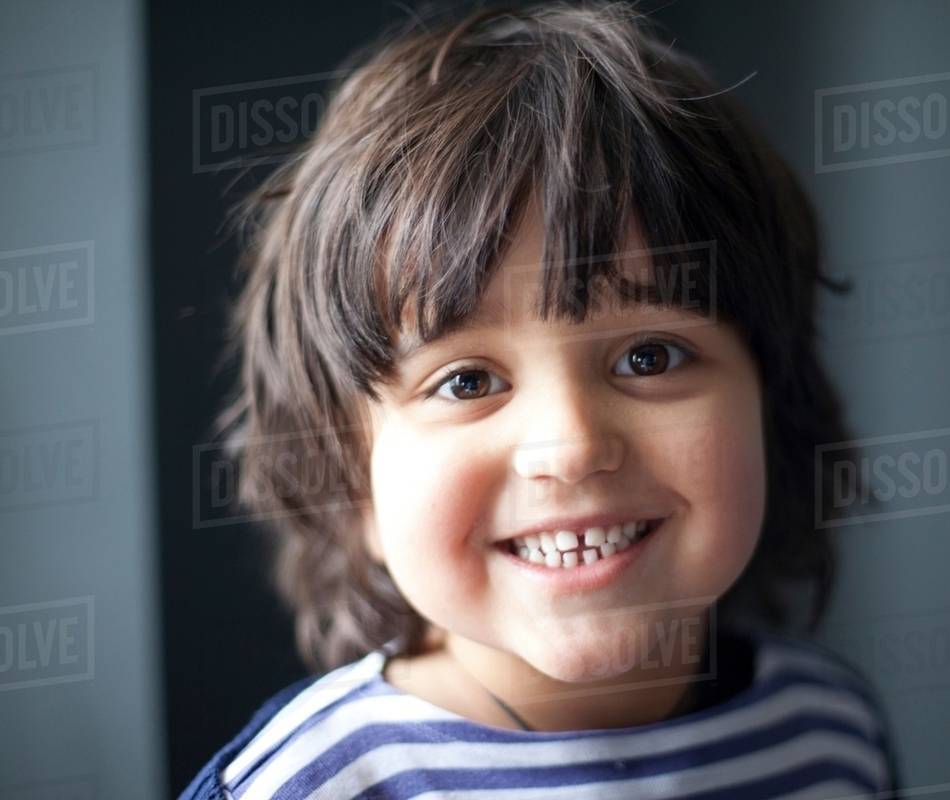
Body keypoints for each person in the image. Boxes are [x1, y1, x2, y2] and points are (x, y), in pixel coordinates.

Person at [182, 2, 899, 797]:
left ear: (772, 406)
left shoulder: (829, 735)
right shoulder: (321, 782)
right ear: (354, 484)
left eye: (650, 355)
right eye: (467, 381)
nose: (571, 444)